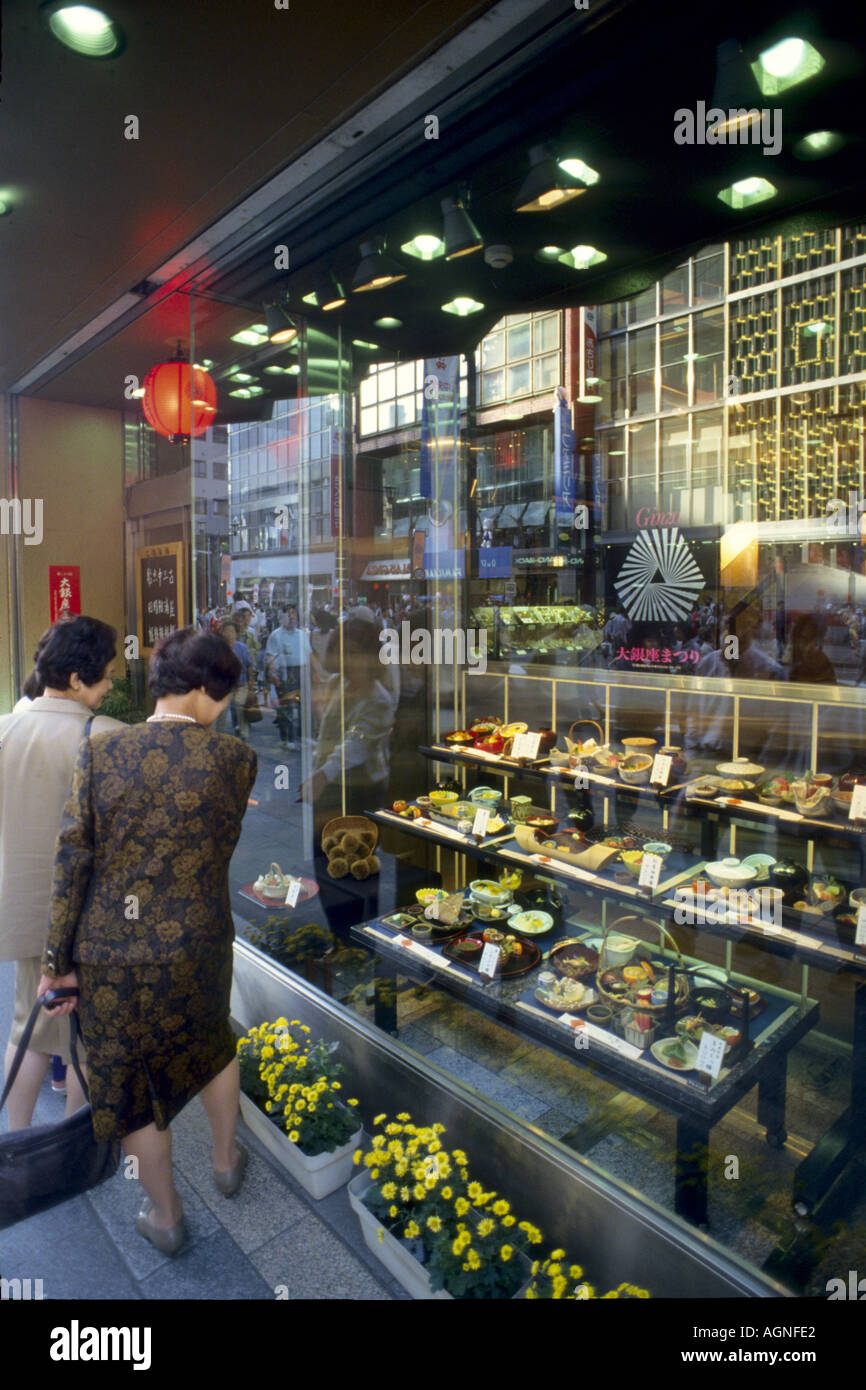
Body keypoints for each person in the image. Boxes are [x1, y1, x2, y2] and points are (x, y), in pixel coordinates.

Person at [37, 628, 257, 1255]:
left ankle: (164, 1217)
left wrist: (59, 962)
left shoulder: (101, 753)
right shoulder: (236, 760)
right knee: (213, 1045)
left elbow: (72, 860)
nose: (225, 709)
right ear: (204, 690)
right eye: (224, 694)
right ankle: (225, 1161)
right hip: (199, 942)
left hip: (112, 952)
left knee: (130, 1088)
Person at [0, 615, 122, 1130]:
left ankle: (16, 1138)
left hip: (23, 912)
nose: (112, 684)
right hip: (90, 920)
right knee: (87, 1039)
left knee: (27, 1028)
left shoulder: (7, 727)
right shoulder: (110, 738)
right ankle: (78, 1140)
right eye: (106, 674)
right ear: (77, 679)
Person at [265, 605, 322, 750]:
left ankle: (304, 737)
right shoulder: (275, 635)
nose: (292, 617)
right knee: (287, 706)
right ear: (281, 617)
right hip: (285, 673)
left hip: (302, 671)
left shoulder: (302, 634)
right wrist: (273, 674)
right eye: (288, 614)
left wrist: (316, 672)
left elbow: (309, 654)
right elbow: (271, 657)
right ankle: (287, 738)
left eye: (293, 614)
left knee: (305, 705)